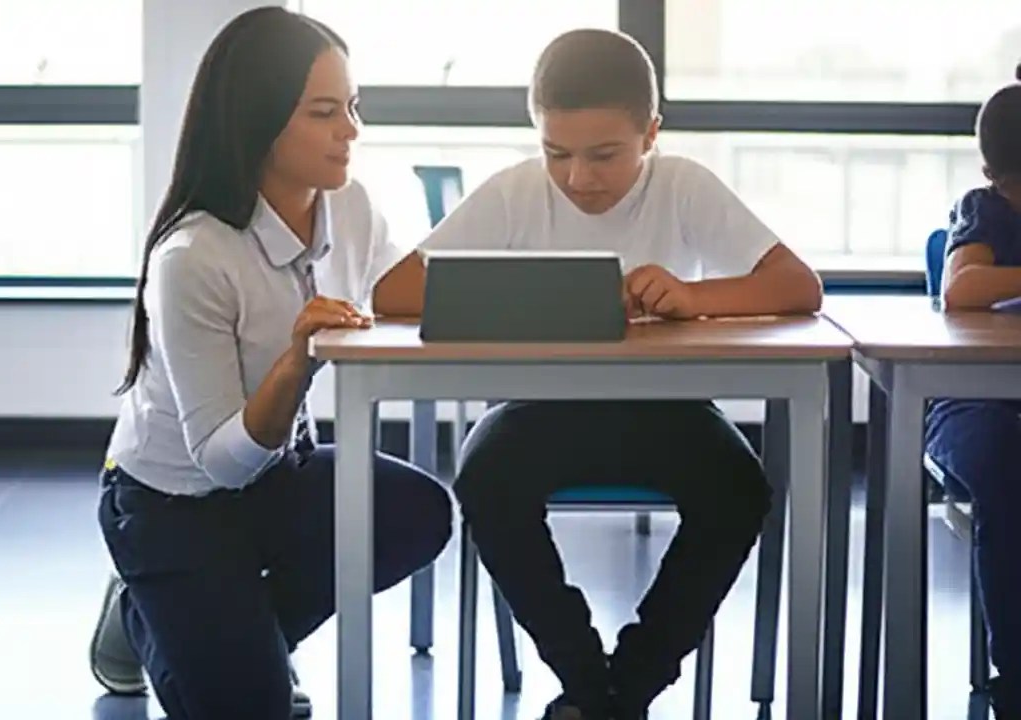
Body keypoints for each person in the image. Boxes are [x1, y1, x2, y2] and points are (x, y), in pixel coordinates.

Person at [373, 29, 822, 720]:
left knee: (738, 490)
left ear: (651, 133)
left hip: (668, 409)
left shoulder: (683, 186)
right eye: (557, 153)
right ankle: (593, 685)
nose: (580, 177)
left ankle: (619, 690)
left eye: (605, 155)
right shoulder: (516, 192)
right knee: (486, 478)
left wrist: (694, 298)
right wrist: (534, 298)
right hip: (539, 408)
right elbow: (393, 292)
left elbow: (798, 287)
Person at [89, 7, 452, 719]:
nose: (351, 129)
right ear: (256, 121)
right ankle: (145, 613)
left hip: (276, 479)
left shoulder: (349, 207)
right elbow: (221, 461)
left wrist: (539, 285)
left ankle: (224, 628)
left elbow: (407, 290)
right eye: (325, 112)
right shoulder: (193, 257)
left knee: (418, 513)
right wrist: (297, 360)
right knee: (253, 709)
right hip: (172, 505)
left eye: (352, 106)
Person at [927, 62, 1021, 720]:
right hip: (971, 403)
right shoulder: (984, 211)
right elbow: (961, 288)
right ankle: (1013, 670)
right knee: (1007, 473)